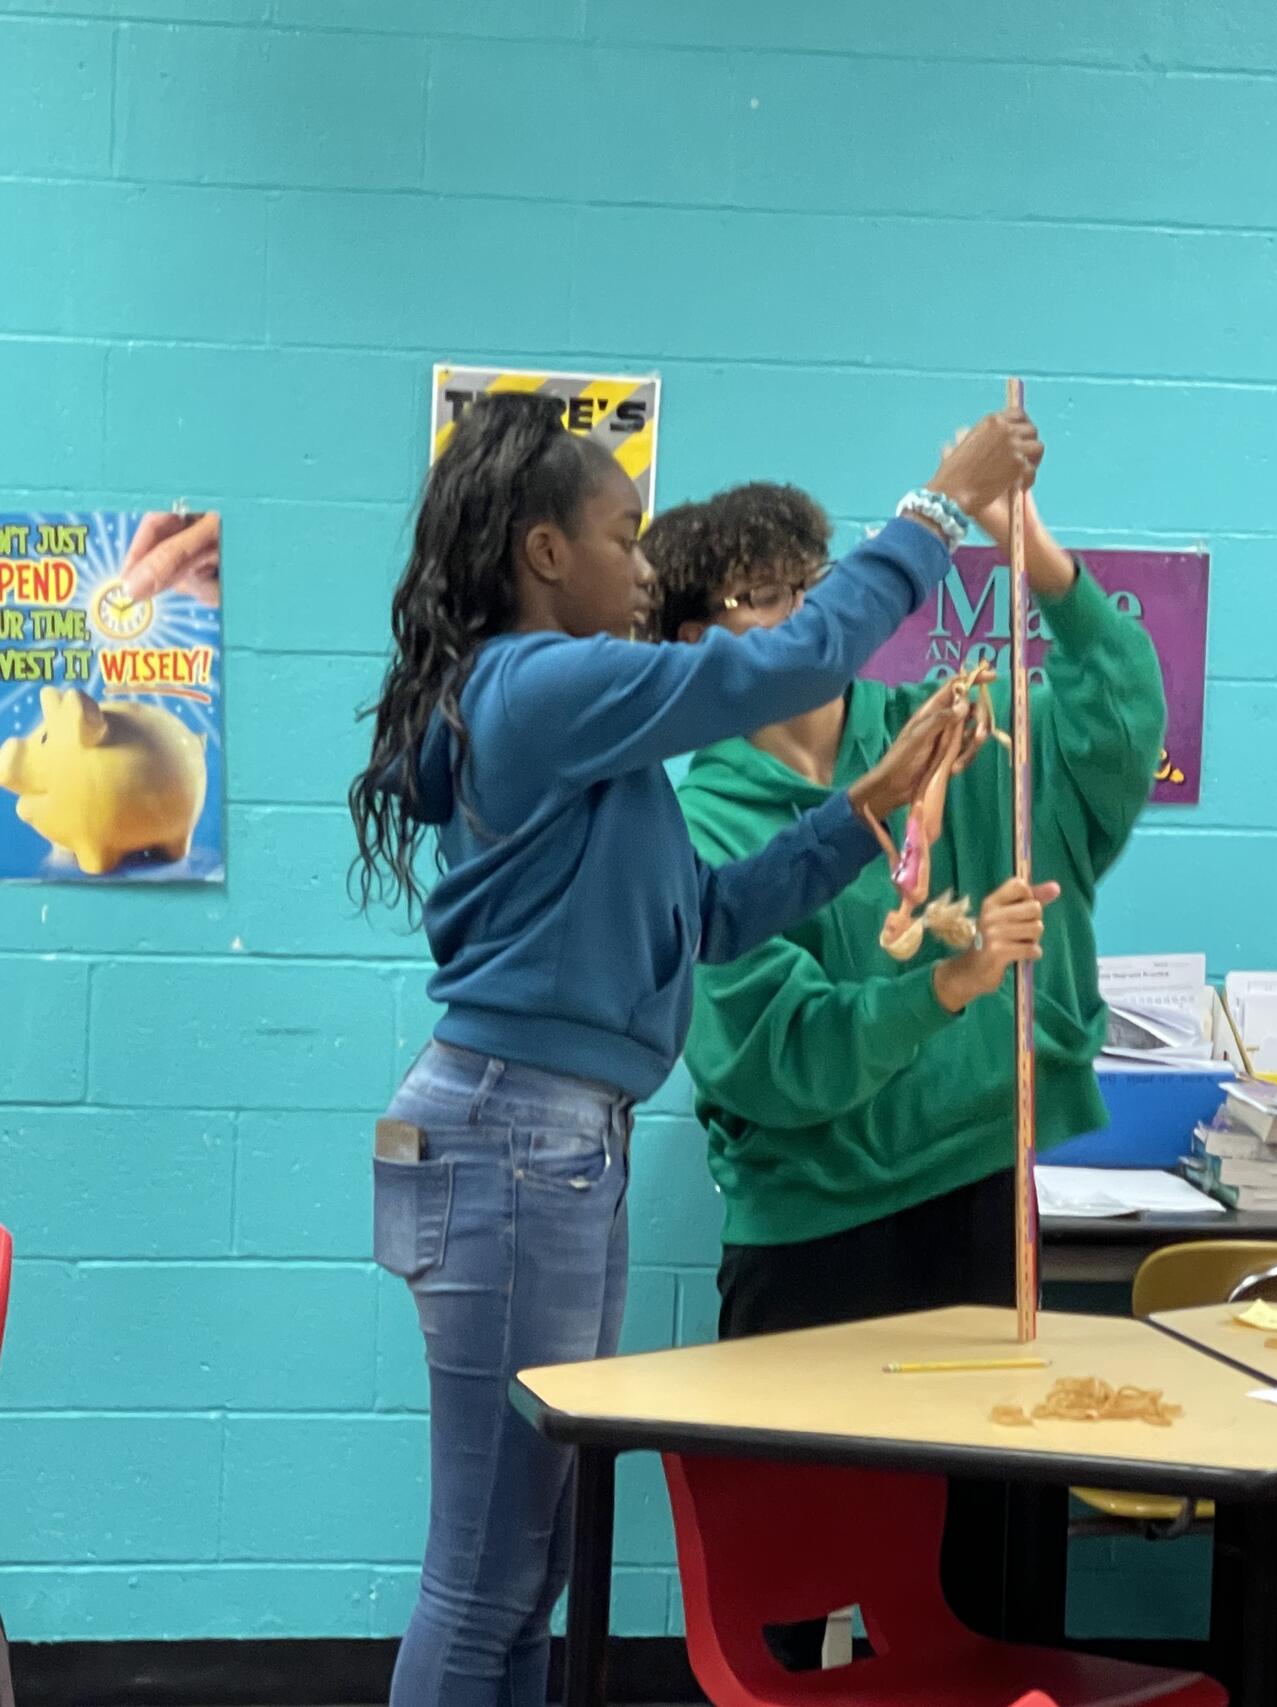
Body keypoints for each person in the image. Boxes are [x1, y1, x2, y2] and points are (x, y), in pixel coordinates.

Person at [348, 391, 1042, 1707]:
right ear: (544, 552)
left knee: (526, 1569)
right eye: (622, 536)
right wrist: (939, 508)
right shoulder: (535, 683)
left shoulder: (577, 737)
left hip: (549, 1138)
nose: (642, 567)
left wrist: (867, 807)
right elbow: (773, 667)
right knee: (487, 1576)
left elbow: (709, 914)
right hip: (514, 1134)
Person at [648, 474, 1166, 1669]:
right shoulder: (697, 825)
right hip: (811, 1233)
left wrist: (1034, 554)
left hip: (975, 1193)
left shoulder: (956, 732)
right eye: (758, 597)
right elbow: (775, 1057)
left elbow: (1113, 724)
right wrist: (944, 986)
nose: (804, 614)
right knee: (784, 1588)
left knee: (982, 1578)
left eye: (812, 585)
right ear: (691, 646)